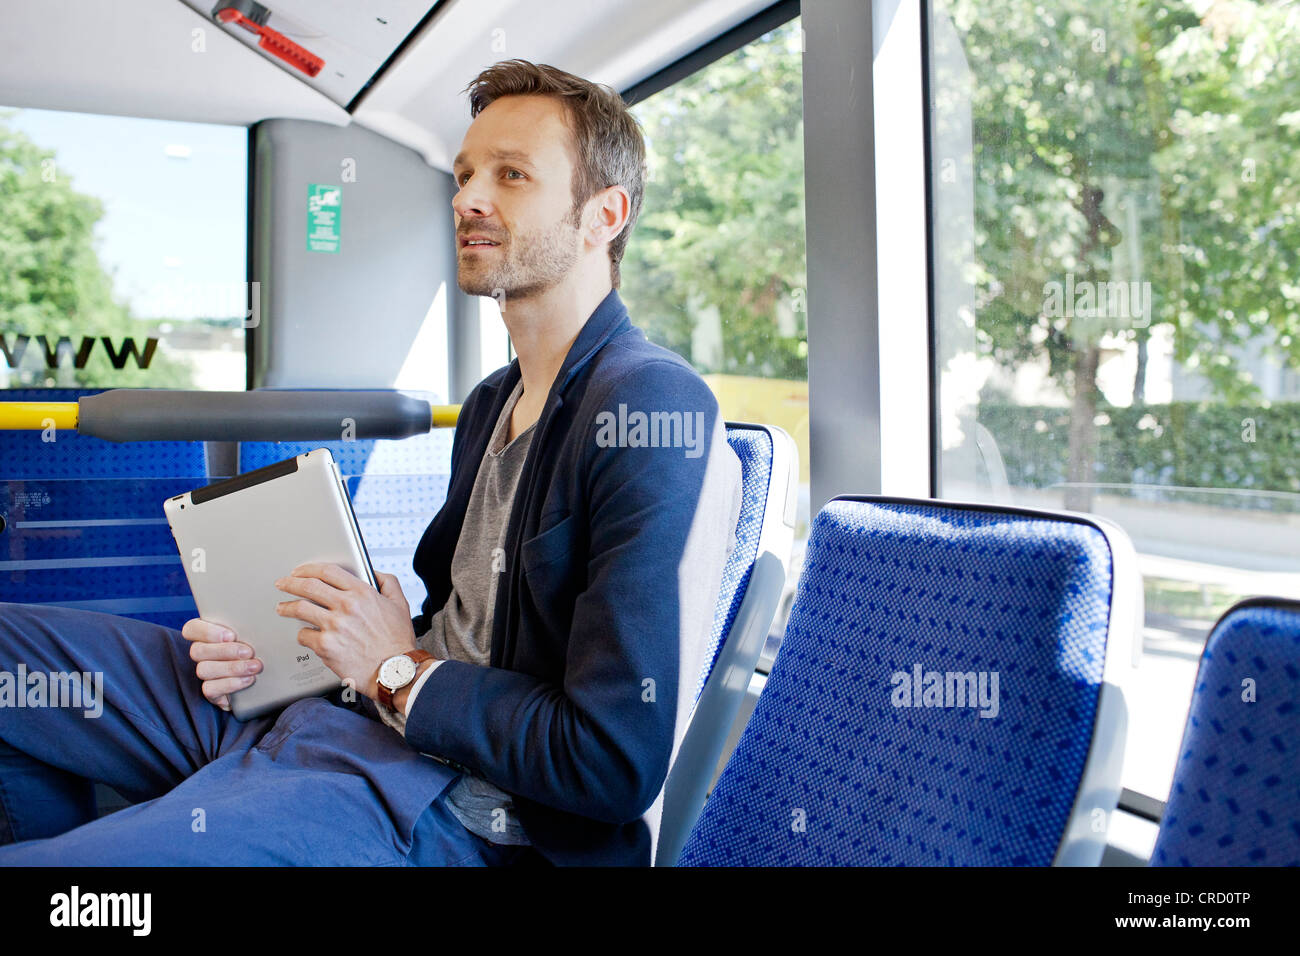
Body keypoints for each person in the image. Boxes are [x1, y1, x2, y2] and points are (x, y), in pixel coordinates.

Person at [0, 59, 741, 867]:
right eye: (463, 176)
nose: (466, 198)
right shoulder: (495, 401)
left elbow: (610, 762)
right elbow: (460, 629)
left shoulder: (653, 410)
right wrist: (291, 655)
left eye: (511, 175)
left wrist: (394, 669)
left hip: (460, 809)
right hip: (347, 712)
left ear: (605, 214)